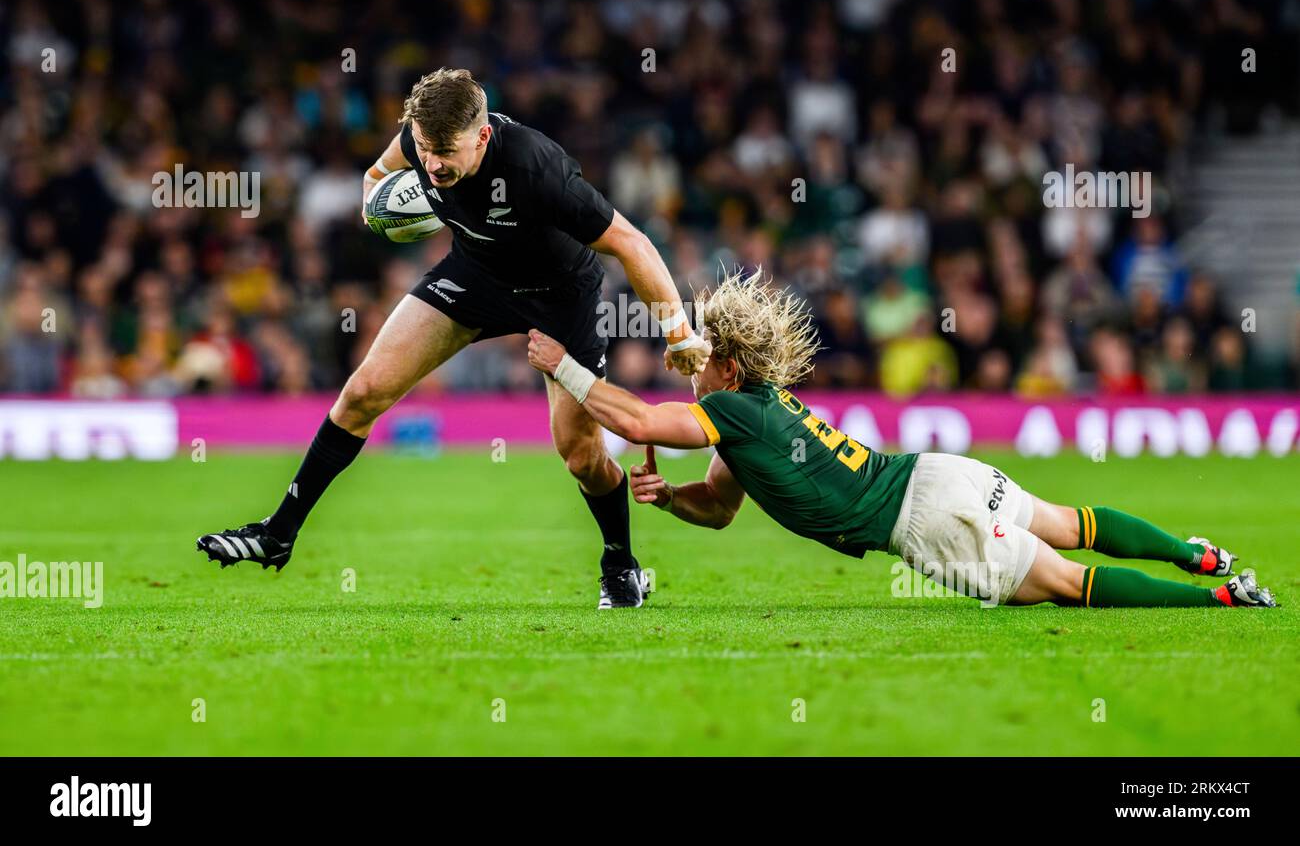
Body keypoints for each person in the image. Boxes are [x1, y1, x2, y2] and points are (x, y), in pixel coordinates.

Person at [197, 68, 710, 609]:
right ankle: (277, 534)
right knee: (363, 392)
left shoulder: (536, 167)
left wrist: (678, 336)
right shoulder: (419, 145)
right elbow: (374, 177)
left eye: (445, 150)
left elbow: (633, 244)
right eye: (424, 149)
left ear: (483, 136)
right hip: (476, 277)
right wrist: (380, 207)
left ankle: (619, 566)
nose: (432, 164)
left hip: (560, 295)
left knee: (580, 454)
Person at [525, 270, 1276, 609]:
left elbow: (636, 422)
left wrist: (565, 367)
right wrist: (667, 502)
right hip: (938, 473)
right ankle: (1199, 552)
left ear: (725, 364)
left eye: (695, 363)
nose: (687, 376)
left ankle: (1216, 596)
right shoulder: (757, 412)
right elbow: (720, 508)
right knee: (1073, 525)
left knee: (1068, 585)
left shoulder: (738, 412)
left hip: (925, 520)